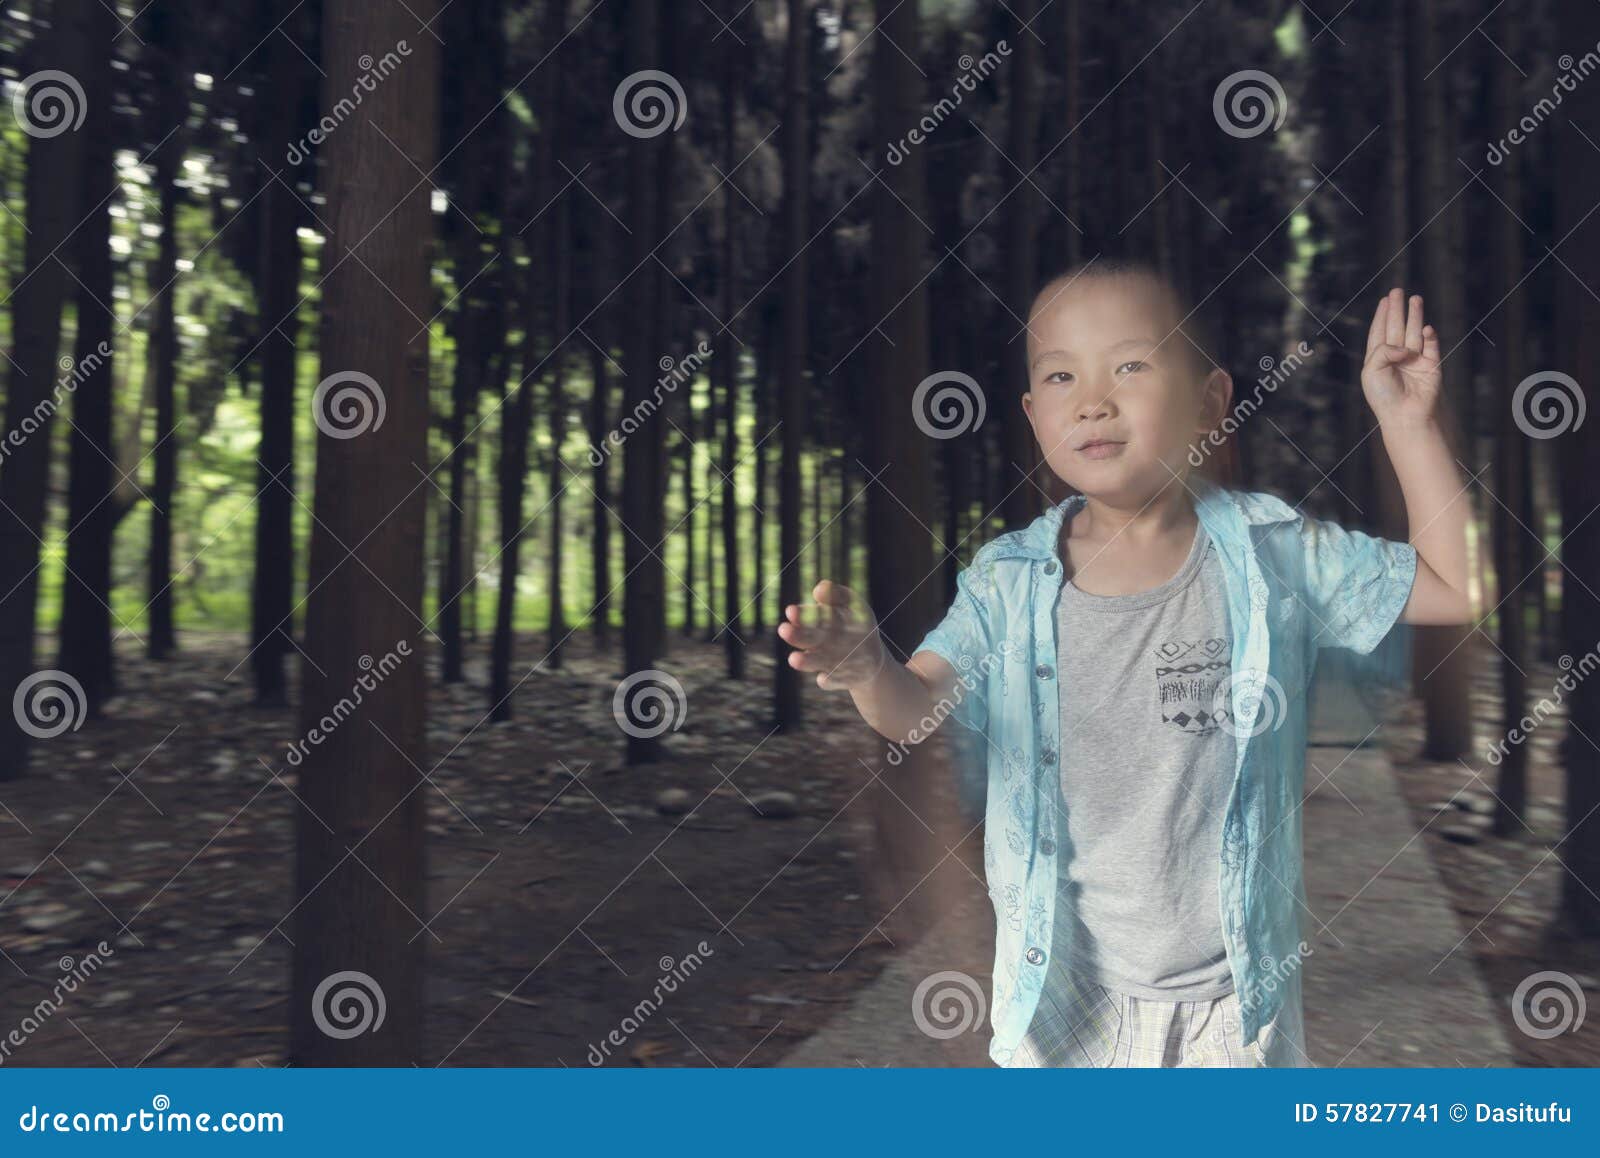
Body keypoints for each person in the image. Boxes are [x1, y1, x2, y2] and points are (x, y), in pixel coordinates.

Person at [775, 259, 1474, 1067]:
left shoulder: (1275, 553)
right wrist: (868, 667)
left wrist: (1407, 423)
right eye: (1062, 375)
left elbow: (1452, 590)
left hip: (1234, 1017)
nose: (1093, 399)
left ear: (1209, 401)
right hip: (1060, 1008)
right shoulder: (1007, 581)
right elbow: (912, 706)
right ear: (1036, 415)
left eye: (1131, 365)